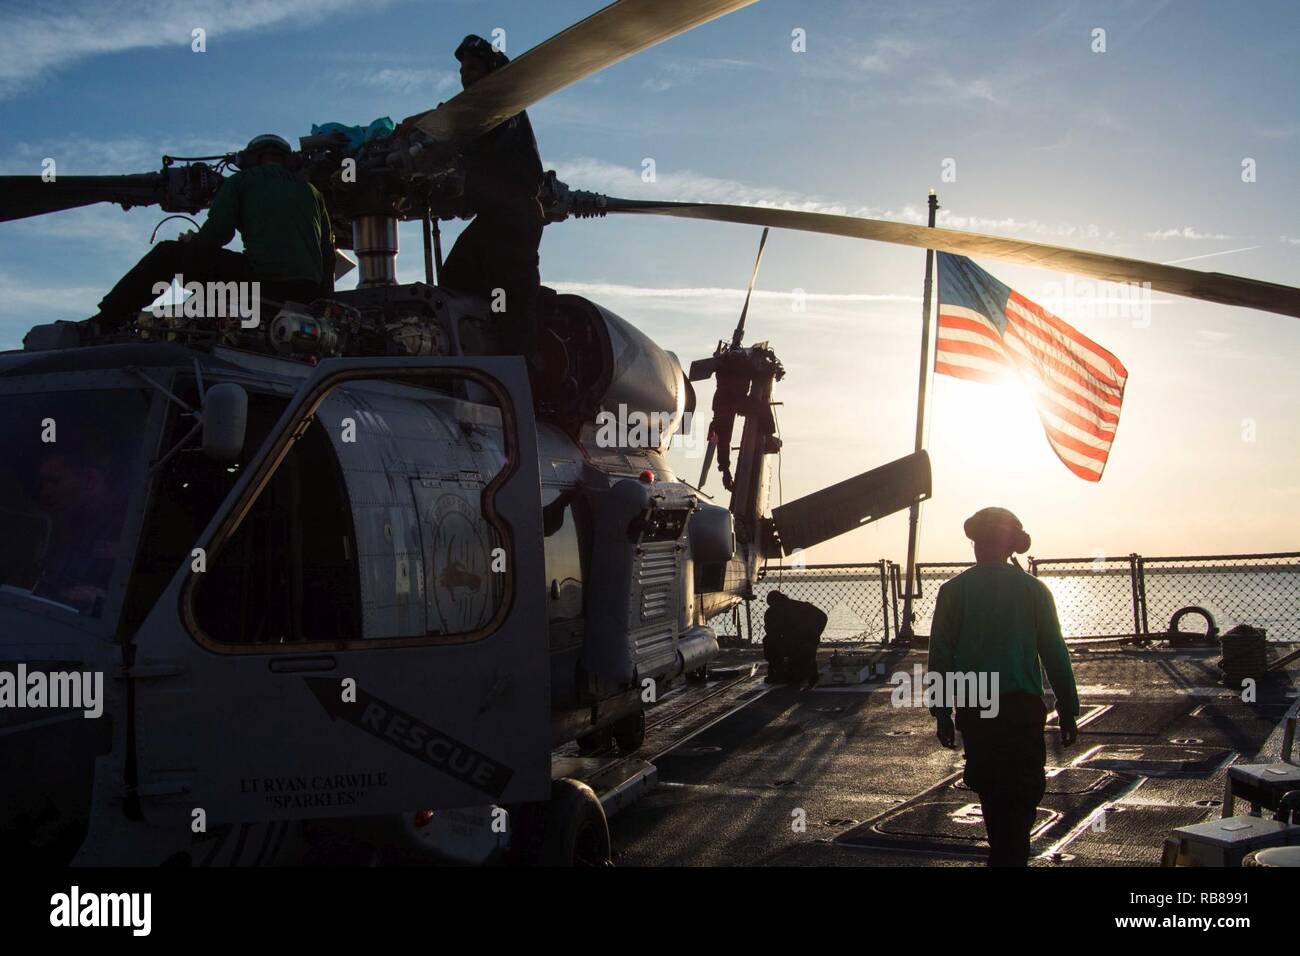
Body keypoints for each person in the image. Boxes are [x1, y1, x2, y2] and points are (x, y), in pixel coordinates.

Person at [928, 507, 1080, 866]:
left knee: (992, 793)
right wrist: (1069, 709)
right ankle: (1012, 855)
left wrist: (941, 713)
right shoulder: (1033, 590)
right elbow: (1055, 653)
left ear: (977, 544)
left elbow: (941, 656)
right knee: (1023, 791)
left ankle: (1005, 855)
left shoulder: (953, 590)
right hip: (1021, 707)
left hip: (976, 705)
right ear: (1012, 545)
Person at [88, 133, 334, 332]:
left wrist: (192, 242)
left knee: (167, 255)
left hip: (264, 286)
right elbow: (328, 256)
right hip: (307, 295)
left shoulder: (241, 182)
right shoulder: (312, 193)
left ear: (248, 159)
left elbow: (218, 234)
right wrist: (322, 307)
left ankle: (106, 320)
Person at [436, 34, 545, 359]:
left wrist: (434, 126)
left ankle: (520, 365)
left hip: (514, 219)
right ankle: (480, 346)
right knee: (455, 276)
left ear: (492, 71)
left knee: (510, 298)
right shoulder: (479, 118)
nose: (464, 74)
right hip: (497, 217)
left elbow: (478, 144)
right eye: (462, 69)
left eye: (472, 67)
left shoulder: (501, 108)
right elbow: (477, 182)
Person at [762, 590, 827, 687]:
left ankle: (802, 671)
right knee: (769, 641)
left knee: (801, 663)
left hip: (804, 639)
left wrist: (814, 634)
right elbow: (771, 633)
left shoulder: (801, 608)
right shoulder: (772, 612)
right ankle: (779, 669)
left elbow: (822, 617)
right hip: (790, 640)